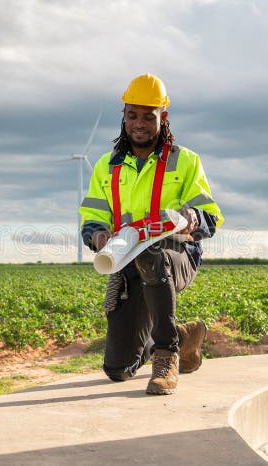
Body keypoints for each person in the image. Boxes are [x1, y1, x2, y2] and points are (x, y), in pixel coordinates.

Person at [79, 73, 223, 395]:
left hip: (177, 257)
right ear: (124, 116)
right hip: (128, 262)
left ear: (163, 117)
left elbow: (211, 217)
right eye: (133, 115)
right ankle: (183, 337)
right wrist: (98, 236)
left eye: (149, 116)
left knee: (152, 252)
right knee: (117, 369)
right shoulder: (106, 166)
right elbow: (92, 219)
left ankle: (167, 354)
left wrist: (192, 217)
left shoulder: (185, 161)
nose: (139, 124)